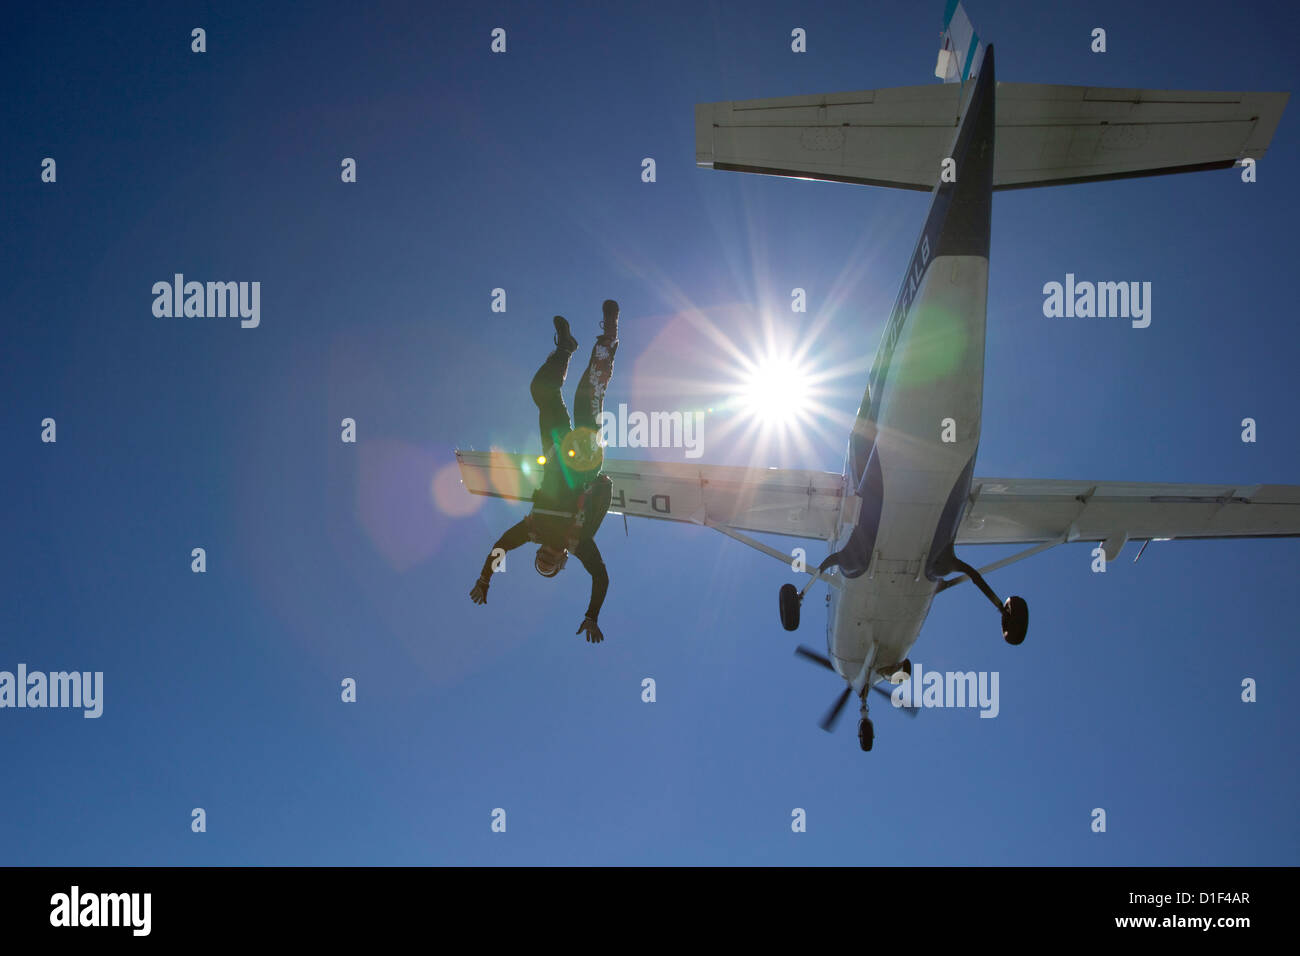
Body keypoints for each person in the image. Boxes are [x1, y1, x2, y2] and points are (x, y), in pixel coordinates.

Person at [470, 300, 620, 643]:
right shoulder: (577, 541)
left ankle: (565, 349)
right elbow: (601, 578)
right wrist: (592, 615)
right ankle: (607, 339)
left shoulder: (533, 529)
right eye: (553, 560)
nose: (549, 552)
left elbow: (500, 546)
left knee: (542, 391)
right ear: (562, 557)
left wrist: (485, 579)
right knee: (586, 399)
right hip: (582, 460)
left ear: (538, 549)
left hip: (554, 450)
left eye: (543, 557)